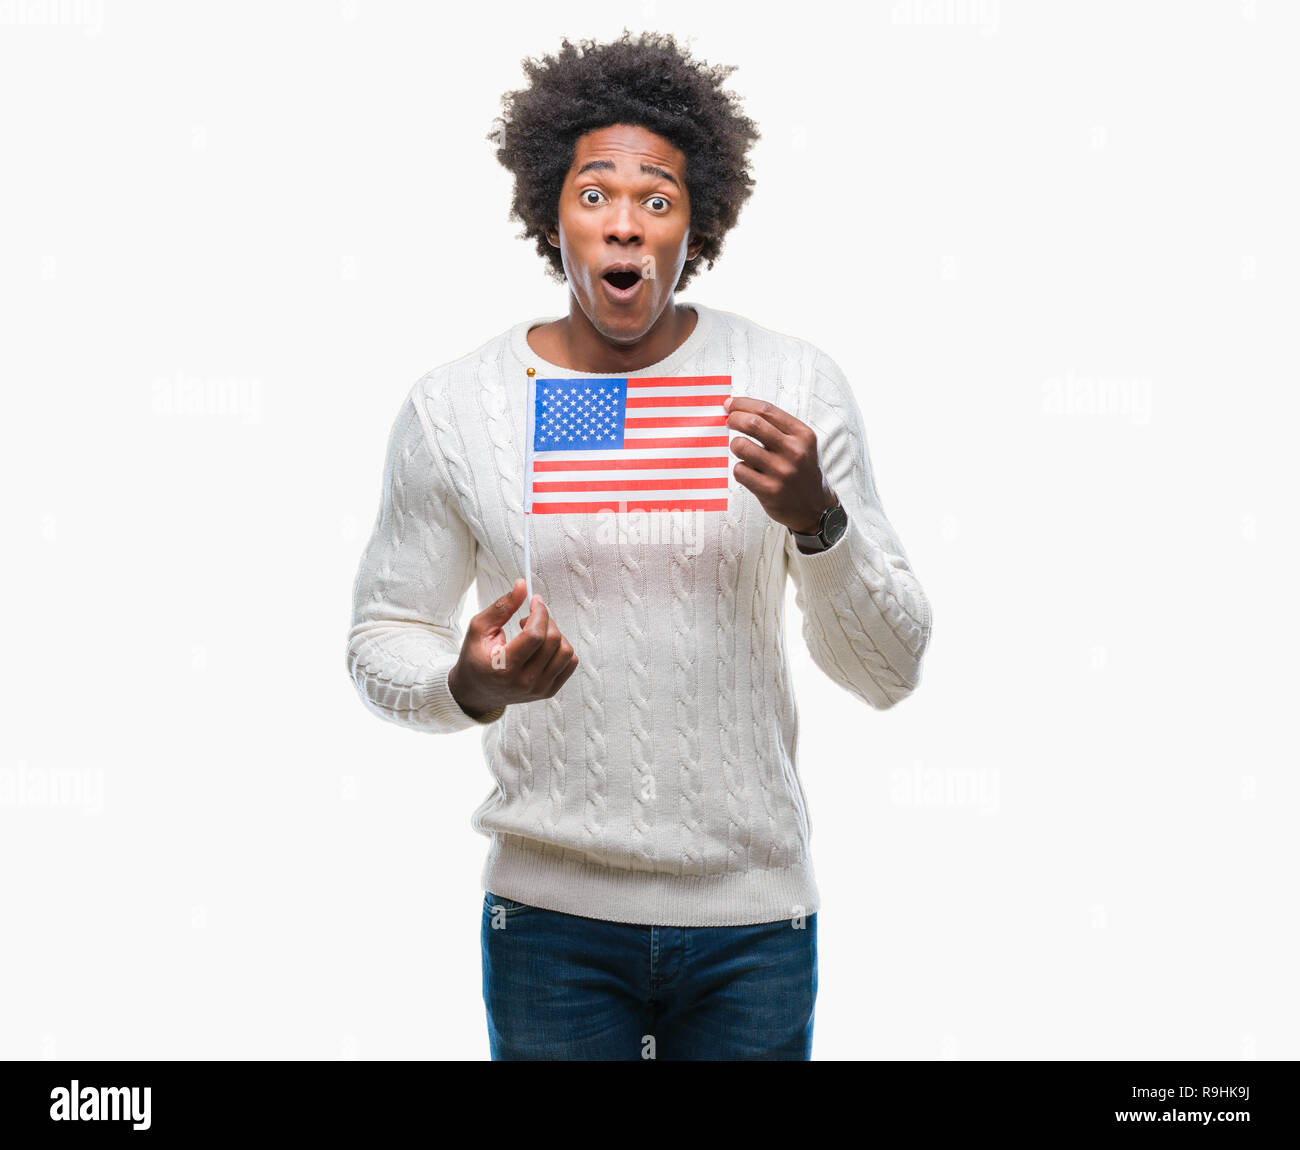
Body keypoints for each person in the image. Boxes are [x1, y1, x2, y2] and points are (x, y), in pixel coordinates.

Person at [345, 29, 932, 1061]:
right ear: (551, 214)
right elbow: (381, 634)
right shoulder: (462, 407)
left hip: (752, 923)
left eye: (656, 199)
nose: (624, 226)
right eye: (594, 196)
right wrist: (468, 682)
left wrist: (818, 521)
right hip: (549, 927)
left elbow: (890, 670)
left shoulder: (791, 384)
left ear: (693, 221)